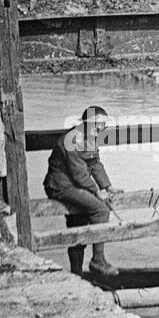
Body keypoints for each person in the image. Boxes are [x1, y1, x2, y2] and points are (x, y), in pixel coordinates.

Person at [43, 104, 119, 277]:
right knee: (101, 209)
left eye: (103, 125)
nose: (100, 128)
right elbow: (79, 174)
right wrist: (96, 191)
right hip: (61, 186)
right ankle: (98, 260)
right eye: (97, 124)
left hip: (77, 185)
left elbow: (94, 164)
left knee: (78, 224)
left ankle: (77, 275)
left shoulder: (90, 137)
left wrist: (107, 186)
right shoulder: (71, 140)